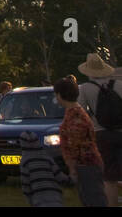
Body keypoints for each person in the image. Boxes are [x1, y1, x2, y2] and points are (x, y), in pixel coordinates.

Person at [76, 52, 122, 207]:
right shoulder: (119, 84)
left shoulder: (85, 88)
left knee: (110, 178)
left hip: (101, 134)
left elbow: (81, 113)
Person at [54, 76, 108, 207]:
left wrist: (72, 168)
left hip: (86, 165)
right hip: (86, 165)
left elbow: (75, 144)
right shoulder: (73, 112)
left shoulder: (76, 115)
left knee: (94, 200)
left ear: (60, 95)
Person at [18, 131, 65, 207]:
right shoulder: (47, 157)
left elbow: (25, 184)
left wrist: (29, 199)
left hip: (39, 199)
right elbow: (60, 176)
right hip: (56, 197)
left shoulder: (25, 161)